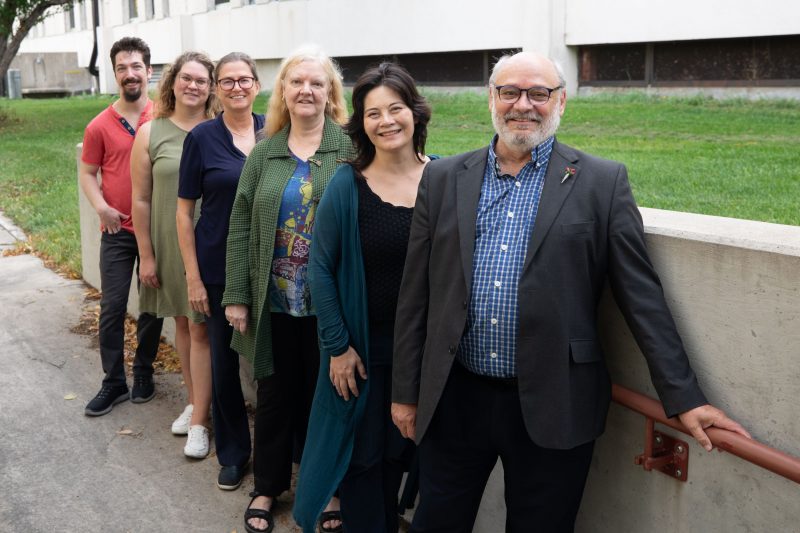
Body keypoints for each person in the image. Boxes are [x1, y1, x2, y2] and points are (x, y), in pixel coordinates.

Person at [390, 51, 752, 532]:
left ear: (561, 101)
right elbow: (415, 294)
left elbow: (641, 298)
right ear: (491, 98)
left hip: (555, 402)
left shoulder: (602, 182)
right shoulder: (442, 177)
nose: (523, 105)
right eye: (510, 92)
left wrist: (684, 398)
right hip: (456, 397)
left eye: (539, 93)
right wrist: (405, 392)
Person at [294, 62, 432, 533]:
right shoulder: (347, 184)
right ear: (361, 123)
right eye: (373, 113)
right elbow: (320, 268)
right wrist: (338, 347)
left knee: (405, 454)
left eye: (396, 109)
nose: (386, 121)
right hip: (363, 351)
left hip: (424, 352)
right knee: (364, 458)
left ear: (415, 112)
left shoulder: (444, 179)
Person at [222, 45, 352, 533]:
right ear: (283, 92)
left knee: (329, 399)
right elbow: (240, 223)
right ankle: (267, 486)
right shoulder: (265, 151)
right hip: (274, 302)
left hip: (331, 307)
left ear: (330, 94)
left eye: (317, 83)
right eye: (297, 82)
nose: (306, 90)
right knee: (274, 397)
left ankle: (330, 488)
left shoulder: (350, 150)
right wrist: (237, 295)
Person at [176, 52, 264, 490]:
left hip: (269, 267)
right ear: (216, 88)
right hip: (215, 267)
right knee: (225, 365)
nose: (236, 88)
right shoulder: (202, 138)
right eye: (226, 81)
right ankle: (233, 453)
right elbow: (184, 212)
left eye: (244, 79)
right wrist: (193, 277)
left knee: (275, 362)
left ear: (257, 85)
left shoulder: (276, 131)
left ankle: (282, 449)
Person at [131, 51, 216, 458]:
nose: (193, 86)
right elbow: (141, 199)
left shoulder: (219, 130)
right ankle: (195, 403)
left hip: (211, 241)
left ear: (211, 88)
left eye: (202, 80)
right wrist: (146, 255)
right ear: (173, 82)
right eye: (187, 78)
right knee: (183, 323)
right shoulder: (151, 132)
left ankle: (200, 418)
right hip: (169, 240)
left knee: (200, 329)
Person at [79, 37, 165, 417]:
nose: (130, 74)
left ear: (149, 71)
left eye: (136, 67)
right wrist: (102, 208)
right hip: (117, 232)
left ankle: (144, 371)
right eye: (121, 68)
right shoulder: (99, 125)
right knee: (112, 306)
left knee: (152, 306)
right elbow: (87, 172)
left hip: (158, 230)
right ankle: (113, 381)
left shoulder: (164, 117)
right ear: (114, 74)